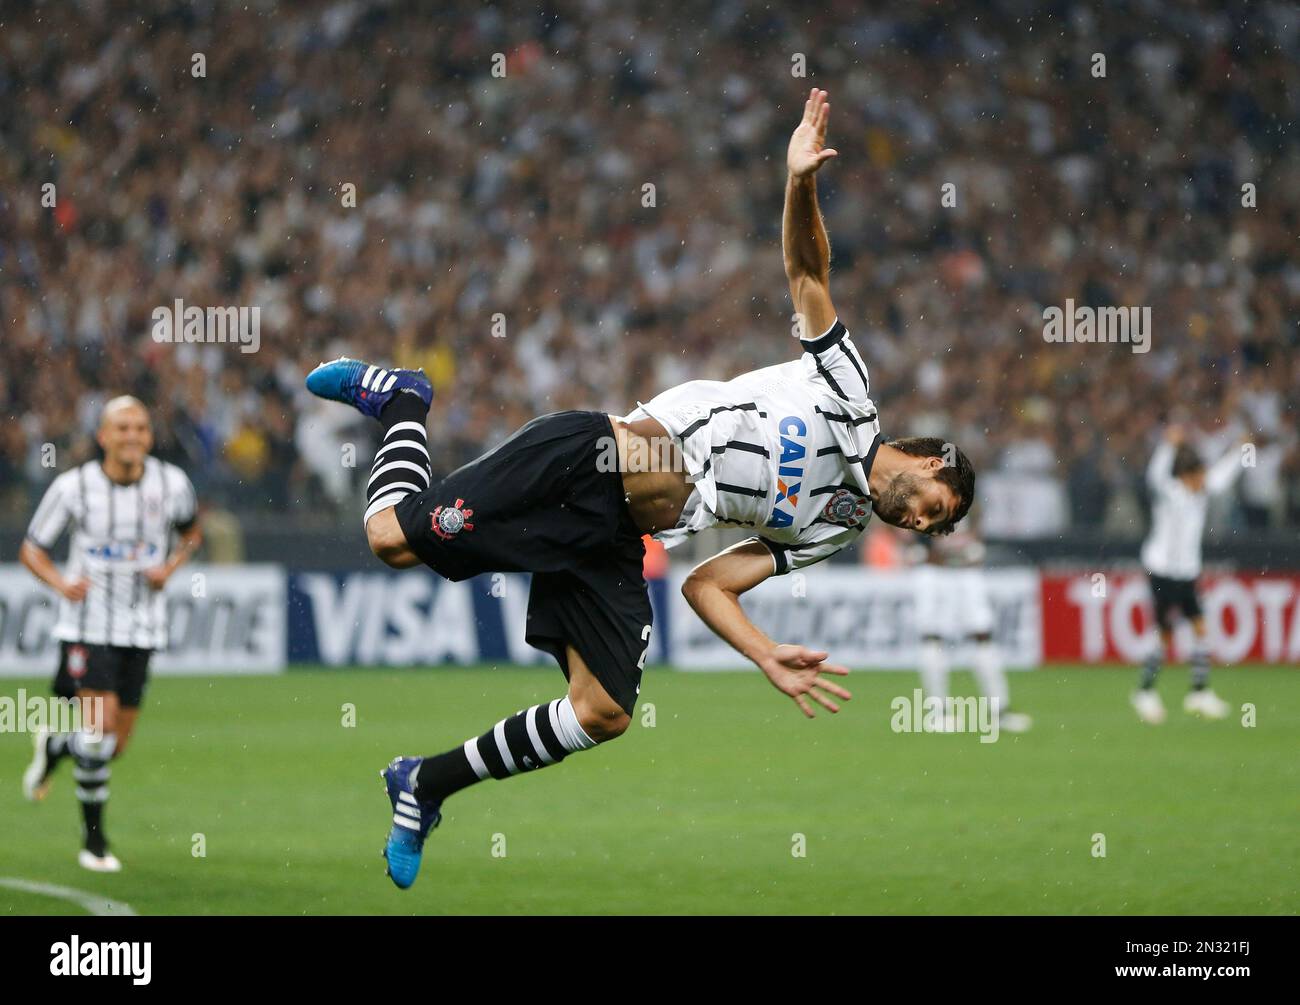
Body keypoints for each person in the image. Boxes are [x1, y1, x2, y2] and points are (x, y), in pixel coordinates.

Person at [304, 88, 976, 890]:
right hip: (588, 458)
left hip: (612, 538)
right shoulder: (850, 392)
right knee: (389, 540)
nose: (919, 525)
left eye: (931, 532)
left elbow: (708, 580)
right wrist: (800, 181)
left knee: (605, 711)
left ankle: (425, 783)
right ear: (931, 462)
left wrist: (766, 656)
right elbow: (806, 270)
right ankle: (406, 399)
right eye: (934, 511)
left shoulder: (834, 527)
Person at [19, 396, 202, 871]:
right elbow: (32, 549)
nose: (132, 437)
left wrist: (171, 567)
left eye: (140, 428)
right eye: (122, 428)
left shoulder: (172, 483)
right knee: (98, 733)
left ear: (149, 436)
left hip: (142, 627)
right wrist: (61, 583)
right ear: (103, 436)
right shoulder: (73, 487)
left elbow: (191, 533)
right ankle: (94, 844)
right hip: (87, 626)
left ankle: (56, 744)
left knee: (113, 745)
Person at [1132, 424, 1243, 724]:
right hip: (1163, 571)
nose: (1204, 480)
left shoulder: (1200, 491)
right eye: (1199, 475)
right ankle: (1145, 691)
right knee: (1166, 633)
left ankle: (1199, 691)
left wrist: (1239, 451)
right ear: (1185, 476)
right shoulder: (1171, 494)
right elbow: (1155, 476)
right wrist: (1168, 446)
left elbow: (1220, 478)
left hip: (1185, 573)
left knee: (1200, 628)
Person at [911, 529, 1031, 733]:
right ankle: (938, 713)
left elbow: (975, 520)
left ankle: (1000, 712)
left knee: (983, 636)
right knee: (932, 637)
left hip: (965, 572)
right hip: (934, 572)